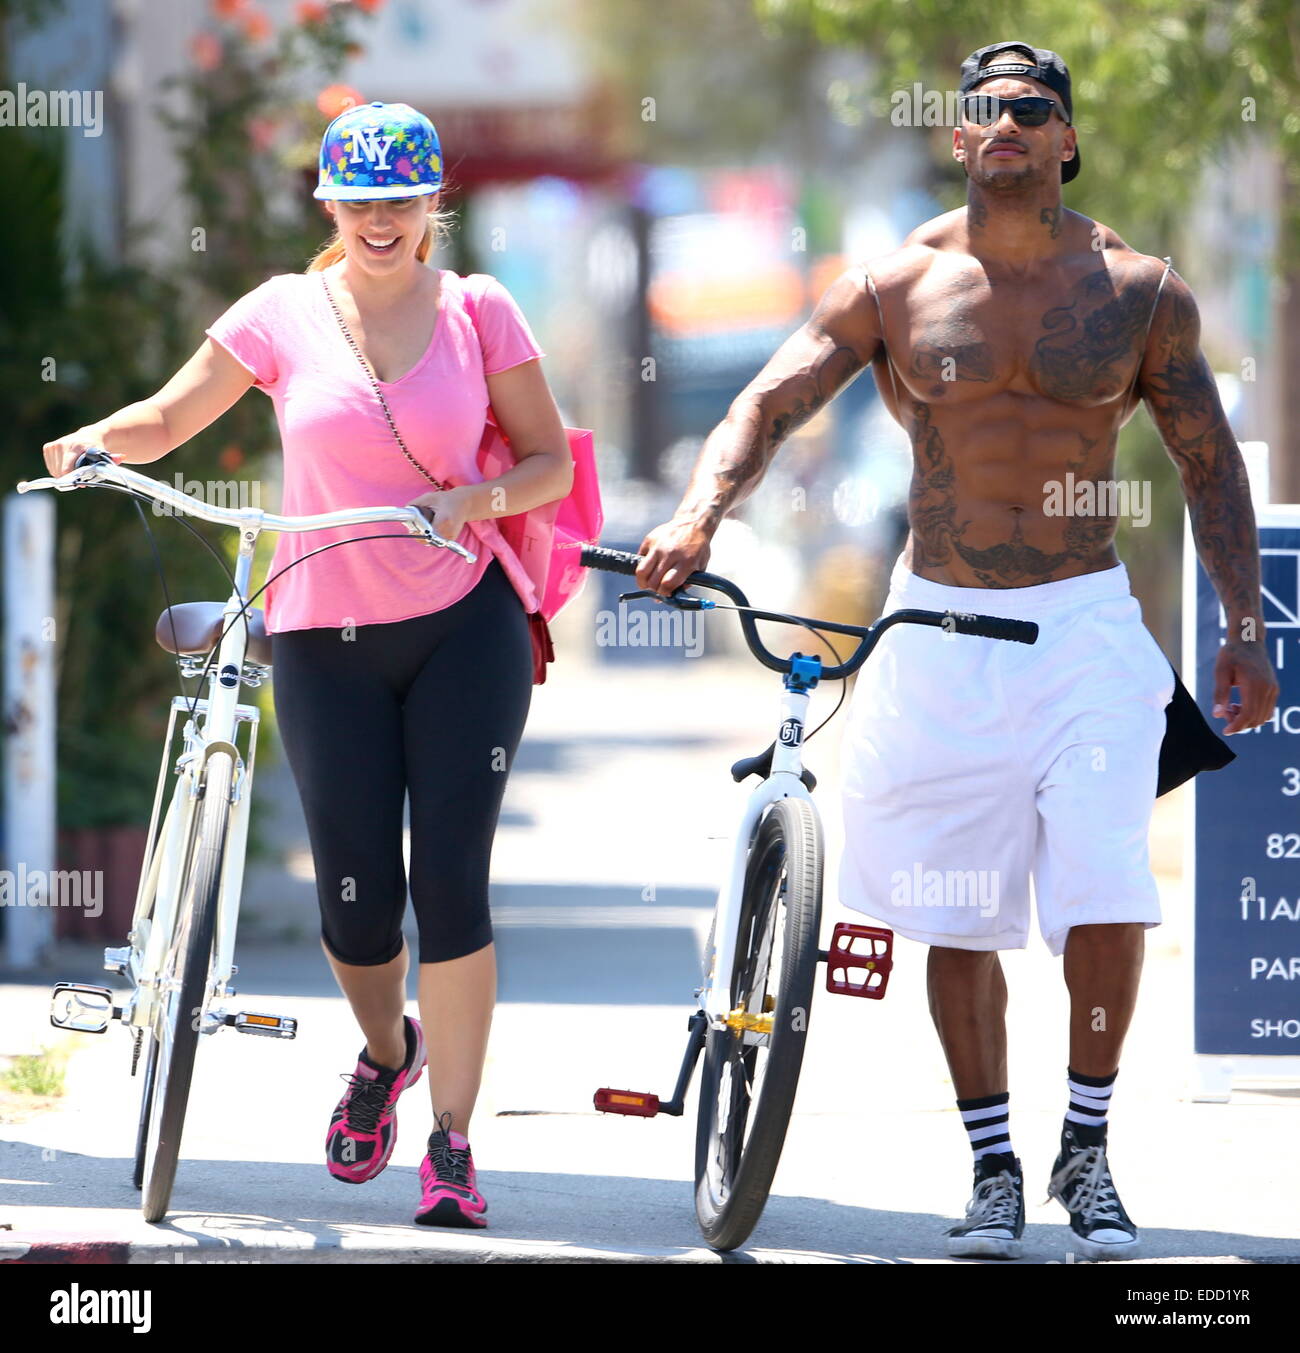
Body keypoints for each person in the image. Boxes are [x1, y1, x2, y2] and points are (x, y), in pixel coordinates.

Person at [636, 43, 1278, 1260]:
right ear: (957, 135)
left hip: (1083, 626)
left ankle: (1084, 1149)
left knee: (1105, 883)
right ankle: (992, 1167)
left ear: (1065, 140)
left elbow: (1209, 463)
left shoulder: (1140, 291)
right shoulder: (893, 284)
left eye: (1030, 111)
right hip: (936, 624)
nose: (1005, 127)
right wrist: (697, 514)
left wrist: (1242, 626)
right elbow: (768, 403)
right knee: (958, 906)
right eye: (983, 111)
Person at [41, 101, 573, 1228]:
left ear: (435, 204)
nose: (380, 220)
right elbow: (170, 416)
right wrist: (93, 441)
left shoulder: (480, 311)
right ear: (328, 205)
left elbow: (544, 464)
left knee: (451, 885)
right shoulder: (282, 313)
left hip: (460, 623)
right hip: (322, 632)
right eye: (359, 201)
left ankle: (454, 1146)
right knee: (355, 905)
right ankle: (387, 1053)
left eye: (401, 199)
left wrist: (476, 500)